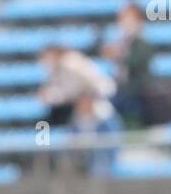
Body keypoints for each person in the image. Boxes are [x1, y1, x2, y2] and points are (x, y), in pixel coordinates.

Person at [35, 43, 120, 176]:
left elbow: (71, 90)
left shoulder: (71, 64)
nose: (45, 61)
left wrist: (52, 96)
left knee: (100, 150)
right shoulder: (60, 69)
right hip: (84, 111)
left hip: (95, 108)